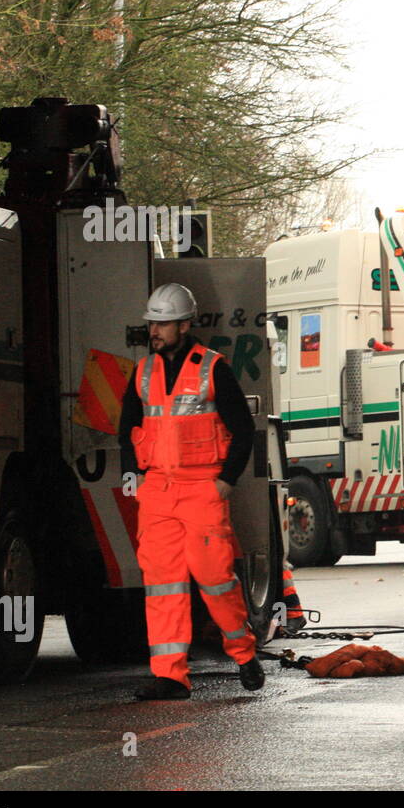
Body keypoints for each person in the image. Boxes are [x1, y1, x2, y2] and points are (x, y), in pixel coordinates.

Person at [118, 282, 265, 698]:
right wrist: (133, 471)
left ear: (184, 325)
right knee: (163, 584)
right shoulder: (143, 371)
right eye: (153, 323)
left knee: (214, 578)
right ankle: (169, 675)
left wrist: (224, 482)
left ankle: (243, 654)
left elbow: (242, 431)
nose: (155, 331)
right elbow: (128, 427)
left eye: (163, 324)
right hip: (158, 491)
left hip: (202, 489)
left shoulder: (212, 367)